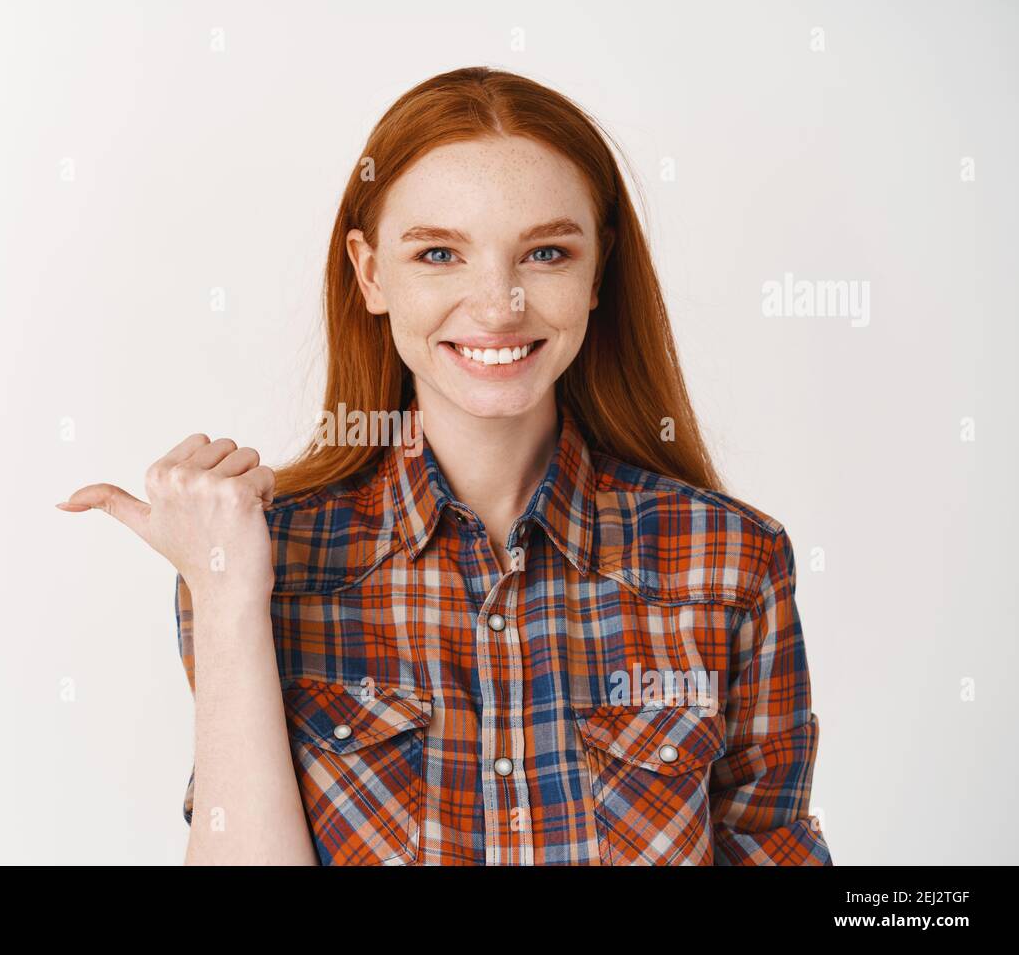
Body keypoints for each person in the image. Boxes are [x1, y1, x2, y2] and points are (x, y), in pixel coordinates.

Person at [58, 66, 833, 866]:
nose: (498, 304)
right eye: (438, 253)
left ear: (596, 271)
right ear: (370, 273)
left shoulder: (730, 560)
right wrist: (225, 593)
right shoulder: (269, 561)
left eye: (545, 253)